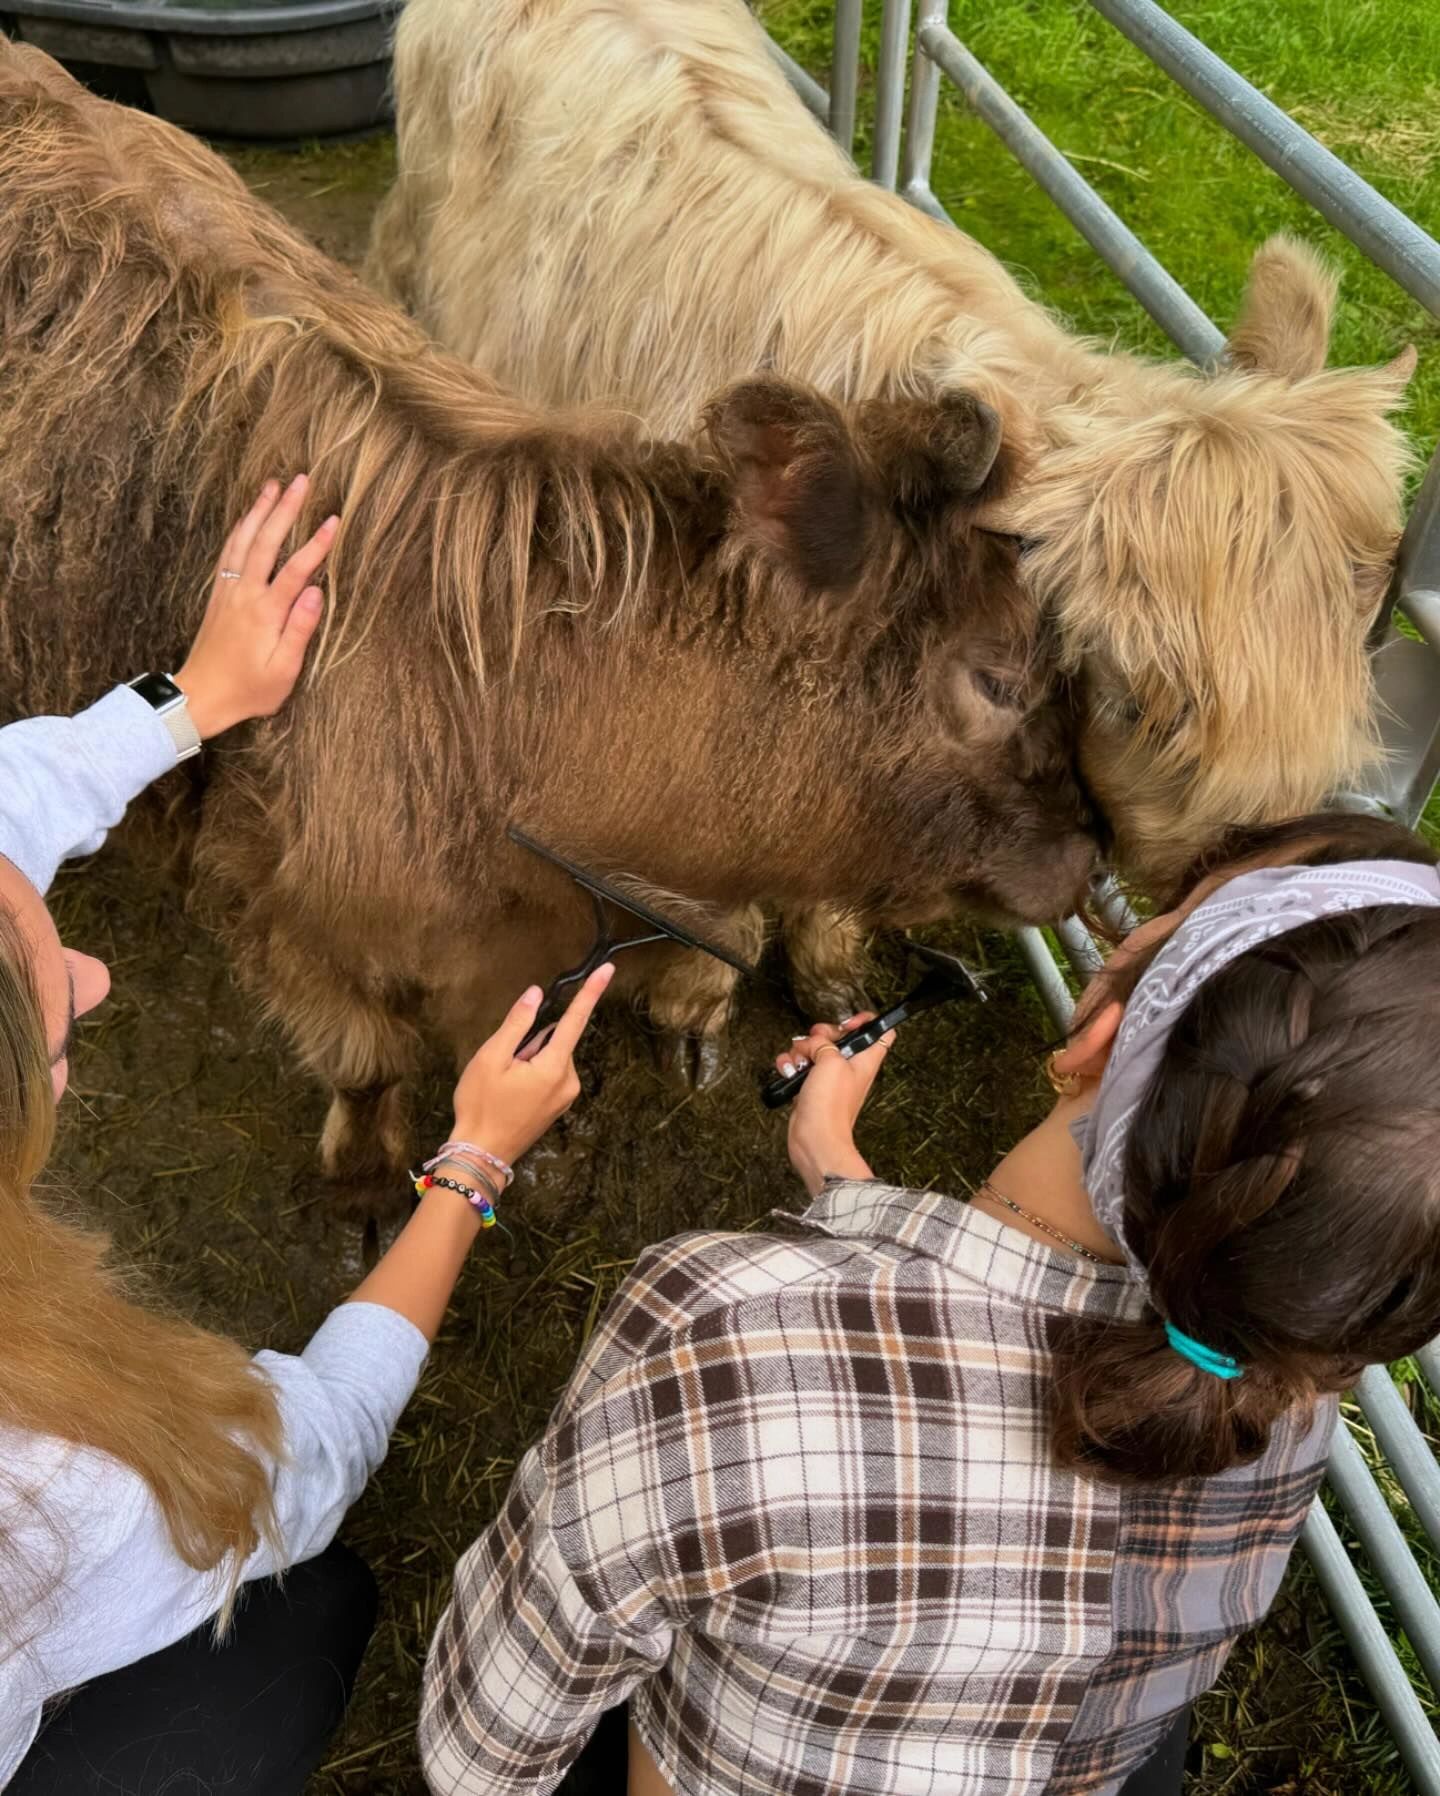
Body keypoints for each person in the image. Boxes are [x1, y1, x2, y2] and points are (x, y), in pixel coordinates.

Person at [420, 810, 1440, 1796]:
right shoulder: (1274, 1388)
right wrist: (836, 1172)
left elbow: (482, 1750)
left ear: (1093, 1037)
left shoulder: (720, 1340)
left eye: (1151, 926)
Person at [1, 476, 613, 1796]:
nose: (99, 980)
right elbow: (312, 1452)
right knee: (313, 1606)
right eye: (54, 1008)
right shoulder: (53, 1478)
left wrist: (188, 702)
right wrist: (471, 1167)